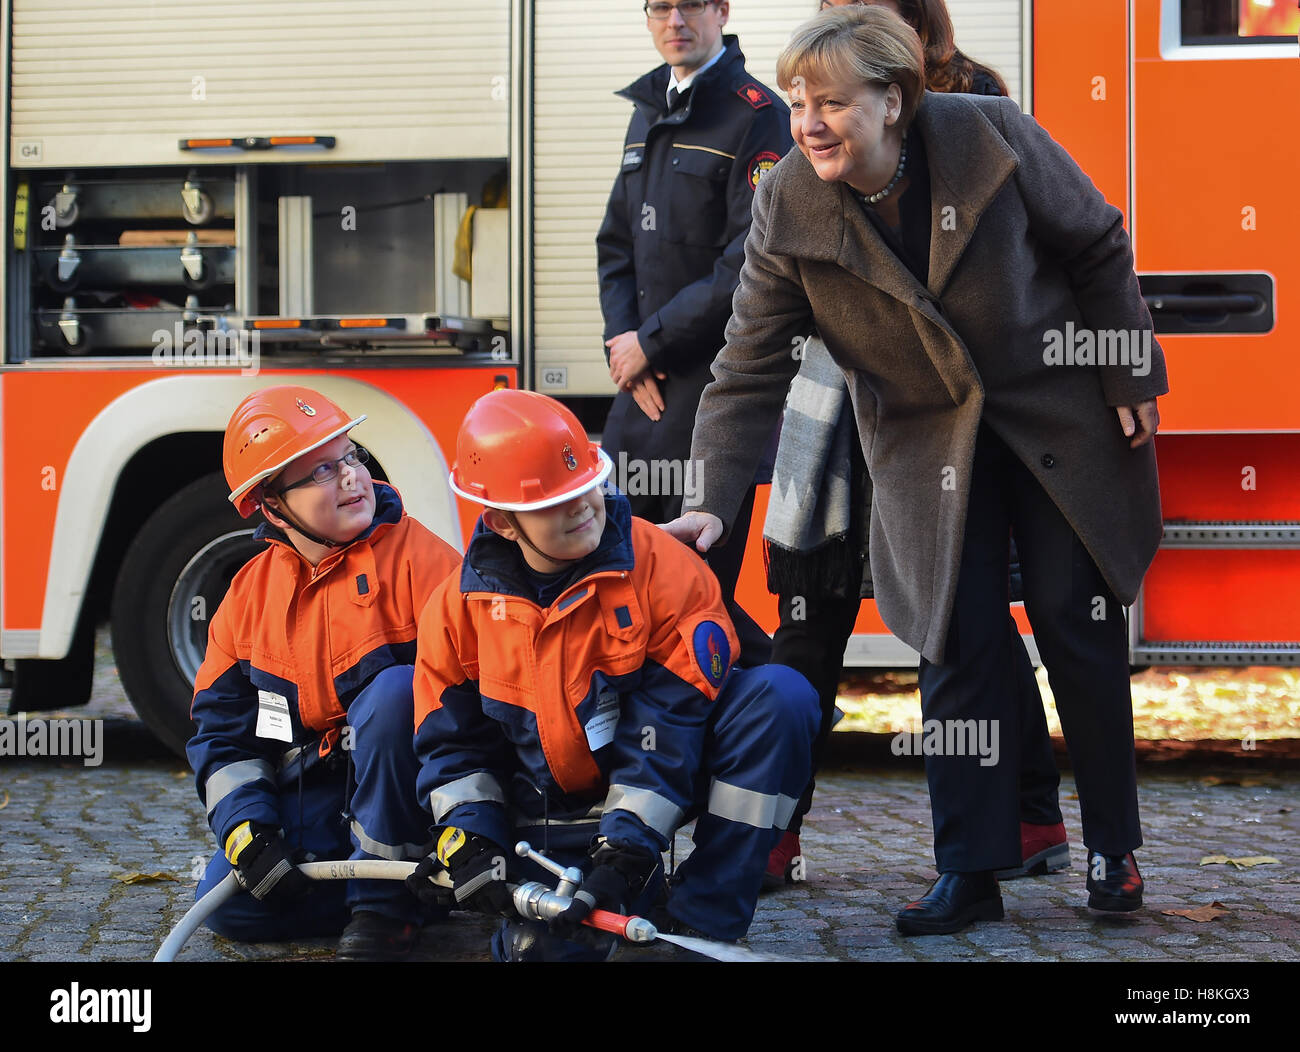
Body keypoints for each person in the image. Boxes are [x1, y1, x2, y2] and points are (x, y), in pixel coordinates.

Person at [664, 5, 1166, 934]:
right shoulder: (788, 202)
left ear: (893, 101)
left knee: (1073, 619)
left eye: (830, 104)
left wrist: (1129, 366)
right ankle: (967, 869)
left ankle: (1112, 850)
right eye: (797, 102)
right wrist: (710, 503)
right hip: (927, 442)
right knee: (953, 639)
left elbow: (1097, 243)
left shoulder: (990, 135)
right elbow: (745, 370)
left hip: (1053, 413)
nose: (807, 123)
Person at [762, 0, 1066, 895]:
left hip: (941, 411)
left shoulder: (974, 107)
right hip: (835, 399)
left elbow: (1052, 253)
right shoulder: (812, 134)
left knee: (959, 614)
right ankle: (773, 824)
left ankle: (1026, 809)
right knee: (811, 608)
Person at [404, 389, 817, 961]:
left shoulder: (666, 571)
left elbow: (668, 731)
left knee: (782, 696)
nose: (582, 508)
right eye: (554, 502)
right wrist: (474, 845)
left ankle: (701, 919)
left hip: (650, 799)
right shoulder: (455, 609)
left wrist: (623, 857)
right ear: (501, 522)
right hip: (541, 813)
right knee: (537, 952)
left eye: (588, 487)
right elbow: (452, 747)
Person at [188, 385, 461, 960]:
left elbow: (484, 707)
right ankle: (407, 888)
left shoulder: (427, 564)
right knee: (228, 901)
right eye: (320, 472)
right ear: (269, 503)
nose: (352, 478)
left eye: (351, 456)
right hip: (315, 791)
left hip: (410, 795)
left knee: (393, 692)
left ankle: (386, 909)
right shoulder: (247, 597)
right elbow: (222, 736)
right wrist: (249, 834)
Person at [597, 0, 793, 662]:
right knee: (620, 589)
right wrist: (628, 349)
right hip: (643, 396)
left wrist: (648, 342)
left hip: (715, 398)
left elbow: (747, 261)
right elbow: (615, 244)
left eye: (690, 5)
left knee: (697, 597)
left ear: (720, 10)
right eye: (660, 6)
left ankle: (750, 725)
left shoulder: (755, 115)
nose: (674, 19)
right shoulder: (647, 109)